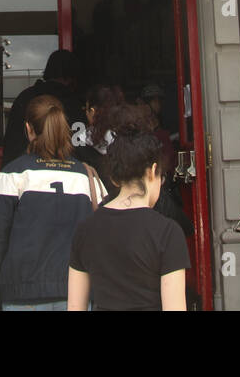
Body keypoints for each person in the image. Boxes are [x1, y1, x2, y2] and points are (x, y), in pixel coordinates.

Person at [0, 95, 103, 310]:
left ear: (28, 129)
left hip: (22, 294)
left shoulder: (11, 175)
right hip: (77, 295)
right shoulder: (87, 177)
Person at [68, 105, 189, 311]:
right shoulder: (168, 233)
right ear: (152, 172)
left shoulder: (85, 229)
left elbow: (75, 307)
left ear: (114, 178)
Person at [0, 50, 84, 166]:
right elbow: (82, 150)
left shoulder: (25, 98)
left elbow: (12, 146)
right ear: (73, 75)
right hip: (72, 174)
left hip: (27, 174)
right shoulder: (76, 103)